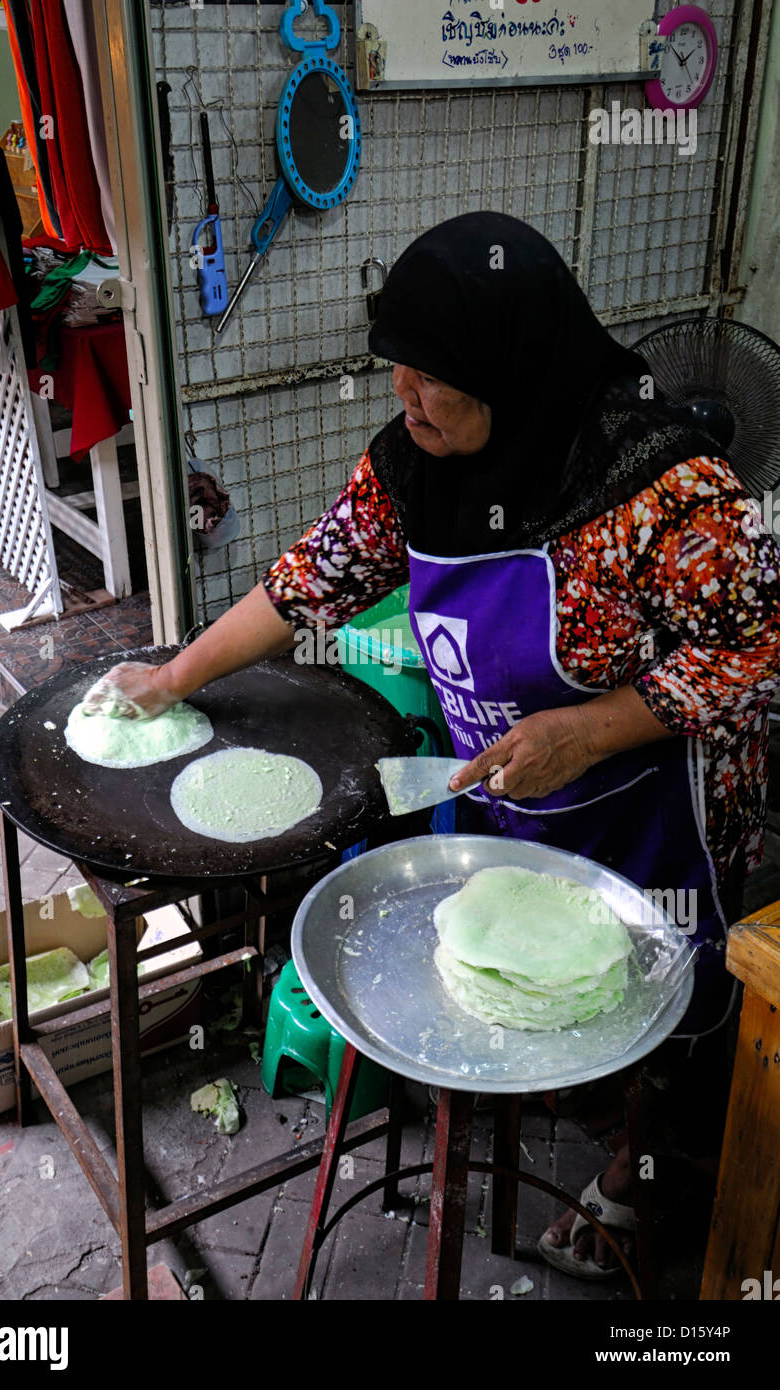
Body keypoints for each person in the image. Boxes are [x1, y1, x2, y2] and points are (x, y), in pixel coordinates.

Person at [85, 212, 780, 1277]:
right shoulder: (415, 466)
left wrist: (594, 728)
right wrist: (173, 676)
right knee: (529, 978)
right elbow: (311, 576)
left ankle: (630, 1179)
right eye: (395, 371)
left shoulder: (664, 494)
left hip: (651, 814)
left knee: (648, 1011)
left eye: (430, 375)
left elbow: (760, 649)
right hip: (520, 793)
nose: (403, 397)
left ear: (506, 364)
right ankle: (569, 1109)